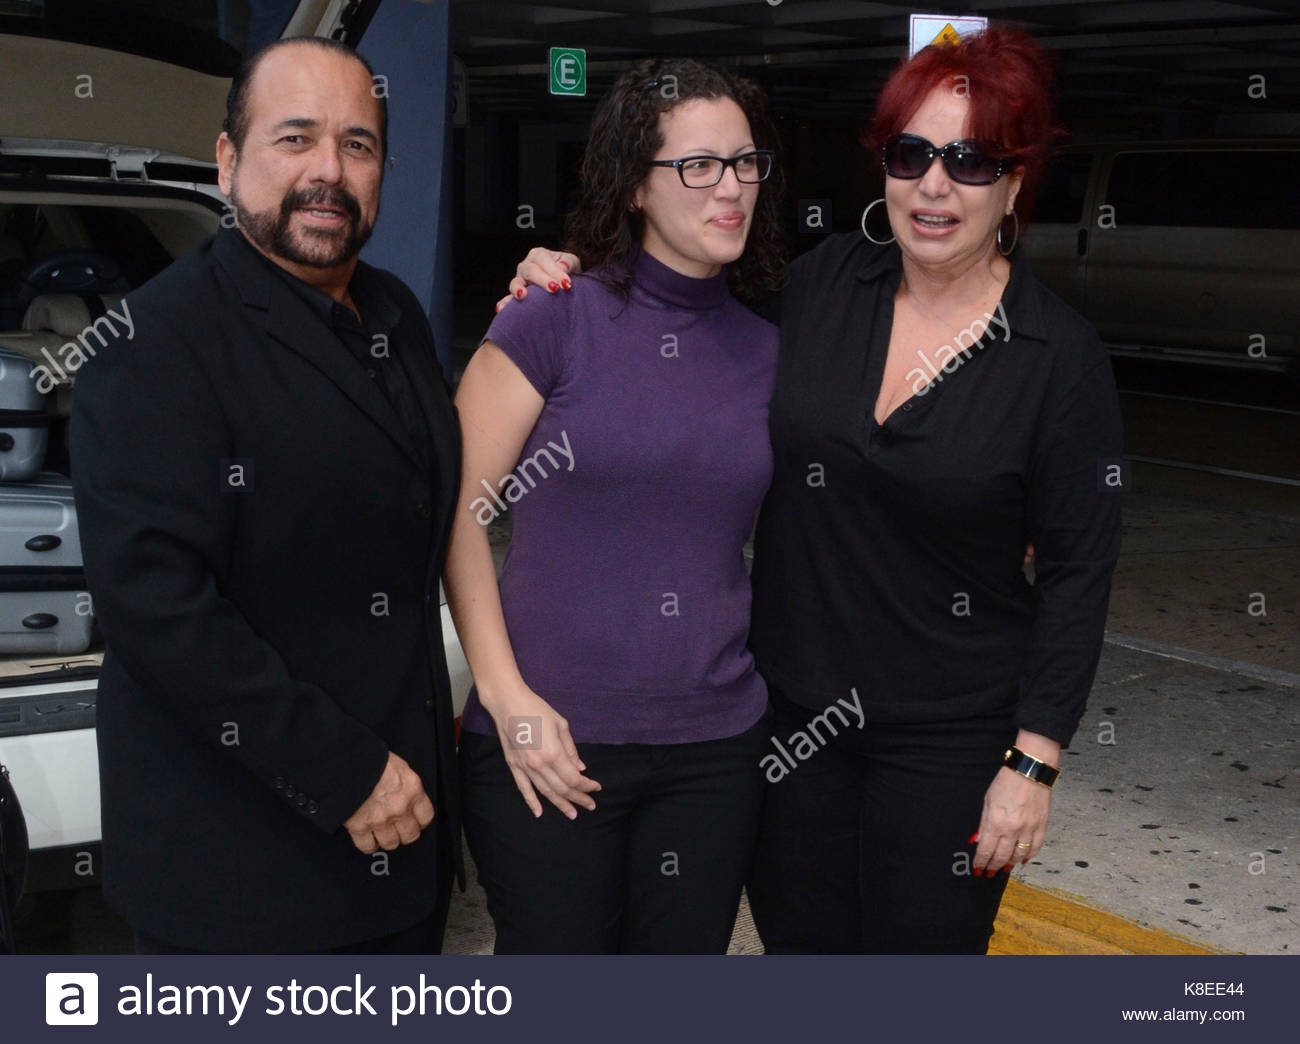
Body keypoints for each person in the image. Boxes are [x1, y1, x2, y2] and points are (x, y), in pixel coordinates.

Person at [502, 26, 1123, 954]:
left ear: (1017, 181)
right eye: (912, 154)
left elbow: (1079, 572)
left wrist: (1032, 764)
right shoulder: (822, 288)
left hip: (949, 742)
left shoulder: (1057, 359)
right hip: (793, 727)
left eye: (972, 159)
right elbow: (677, 318)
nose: (936, 185)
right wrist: (571, 278)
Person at [69, 37, 462, 954]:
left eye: (358, 145)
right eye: (296, 138)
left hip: (399, 861)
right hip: (242, 880)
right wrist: (347, 771)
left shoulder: (395, 313)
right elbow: (160, 612)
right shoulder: (154, 343)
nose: (329, 171)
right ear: (227, 159)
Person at [444, 58, 785, 954]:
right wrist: (506, 695)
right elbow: (455, 512)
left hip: (715, 749)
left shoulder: (768, 352)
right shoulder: (552, 315)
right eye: (698, 166)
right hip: (547, 740)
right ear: (636, 184)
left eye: (746, 164)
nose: (731, 189)